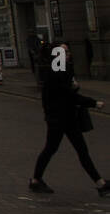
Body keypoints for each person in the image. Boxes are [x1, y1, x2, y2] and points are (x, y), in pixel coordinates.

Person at [29, 40, 109, 197]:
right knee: (53, 149)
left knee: (79, 150)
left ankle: (100, 183)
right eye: (64, 51)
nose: (68, 54)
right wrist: (94, 103)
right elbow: (69, 96)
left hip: (65, 118)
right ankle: (36, 181)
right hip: (59, 119)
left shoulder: (60, 70)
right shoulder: (57, 72)